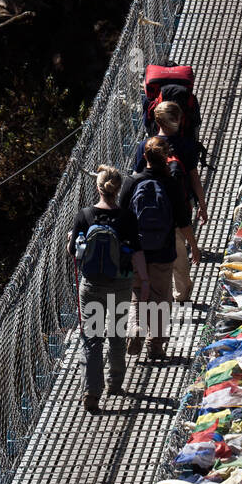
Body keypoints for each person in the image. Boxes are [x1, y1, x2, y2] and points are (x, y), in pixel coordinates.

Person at [68, 165, 145, 413]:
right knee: (116, 333)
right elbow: (136, 252)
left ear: (98, 187)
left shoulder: (84, 215)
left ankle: (91, 391)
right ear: (118, 189)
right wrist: (143, 280)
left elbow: (72, 251)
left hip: (91, 285)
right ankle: (115, 383)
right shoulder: (127, 218)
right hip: (121, 283)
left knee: (92, 340)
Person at [120, 137, 200, 363]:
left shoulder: (131, 182)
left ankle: (135, 328)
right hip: (163, 250)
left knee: (137, 294)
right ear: (166, 158)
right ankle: (155, 345)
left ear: (144, 157)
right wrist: (193, 246)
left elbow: (122, 217)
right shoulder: (171, 183)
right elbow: (183, 220)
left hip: (137, 250)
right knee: (161, 298)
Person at [133, 100, 208, 303]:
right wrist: (202, 205)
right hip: (177, 210)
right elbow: (194, 178)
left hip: (147, 213)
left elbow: (135, 177)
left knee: (152, 255)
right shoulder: (184, 145)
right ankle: (181, 295)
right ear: (176, 120)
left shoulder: (145, 146)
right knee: (178, 256)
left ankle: (156, 294)